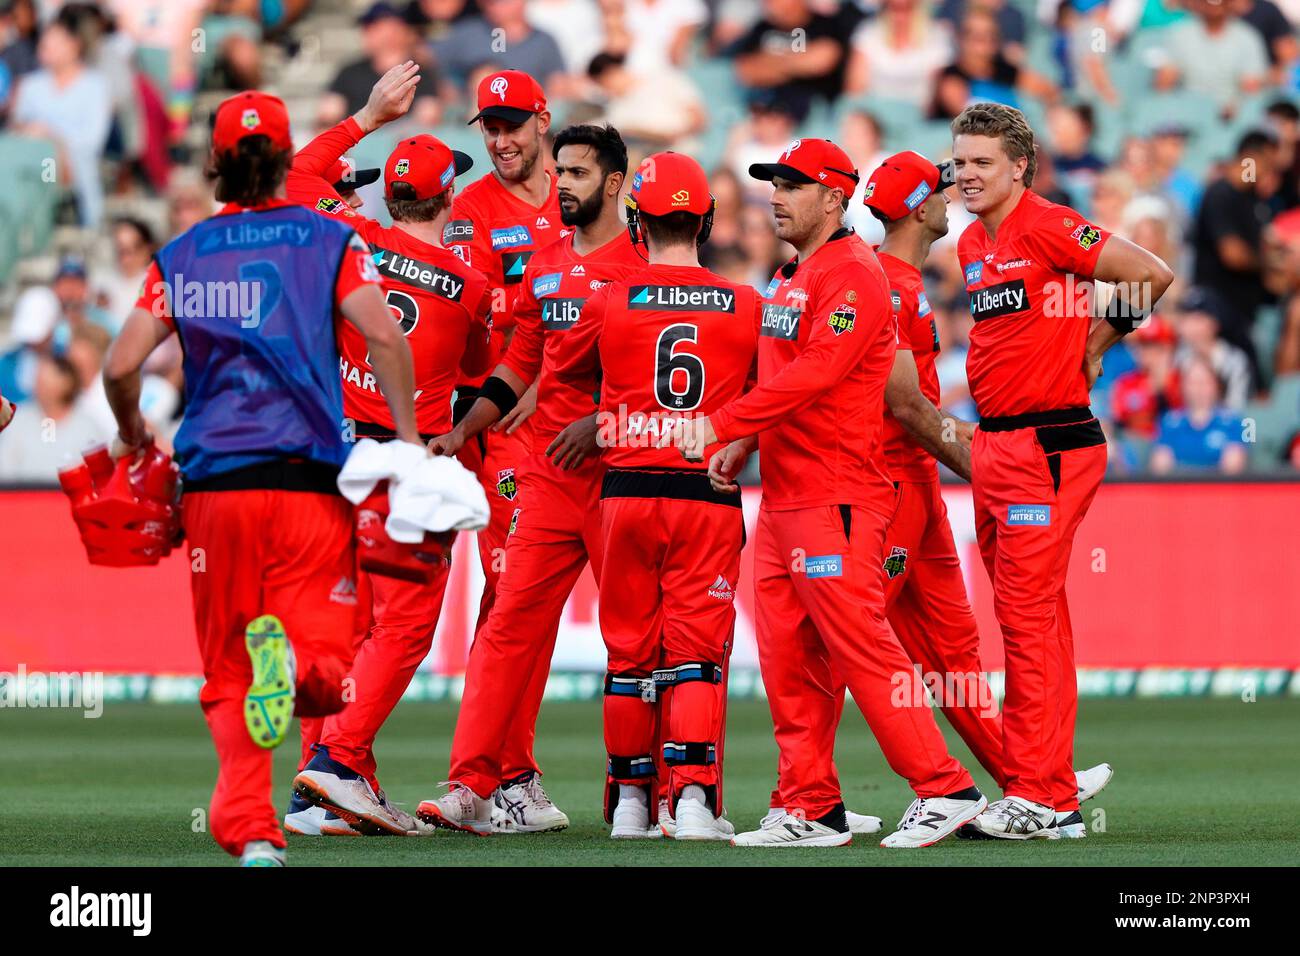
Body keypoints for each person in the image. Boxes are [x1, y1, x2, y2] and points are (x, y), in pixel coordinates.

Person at [101, 90, 421, 866]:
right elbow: (384, 336)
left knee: (227, 669)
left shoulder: (182, 255)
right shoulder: (327, 238)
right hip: (310, 477)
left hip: (215, 483)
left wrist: (134, 431)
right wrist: (408, 442)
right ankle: (301, 670)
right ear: (284, 159)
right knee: (329, 666)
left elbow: (118, 365)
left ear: (214, 161)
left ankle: (253, 838)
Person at [678, 138, 987, 849]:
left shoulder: (855, 275)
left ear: (834, 197)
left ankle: (945, 789)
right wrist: (744, 442)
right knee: (789, 658)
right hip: (787, 499)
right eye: (773, 184)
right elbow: (777, 370)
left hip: (838, 493)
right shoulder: (795, 275)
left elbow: (819, 371)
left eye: (791, 185)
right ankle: (809, 804)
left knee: (861, 647)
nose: (776, 196)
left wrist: (721, 422)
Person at [281, 63, 495, 837]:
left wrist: (368, 114)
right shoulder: (469, 282)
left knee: (340, 626)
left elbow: (300, 172)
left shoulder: (350, 237)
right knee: (406, 625)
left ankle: (318, 798)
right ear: (445, 199)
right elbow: (478, 371)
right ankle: (338, 763)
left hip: (330, 459)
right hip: (403, 466)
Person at [949, 102, 1173, 838]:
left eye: (982, 162)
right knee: (1036, 618)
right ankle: (1046, 785)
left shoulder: (1047, 224)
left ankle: (1044, 798)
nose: (967, 174)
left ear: (1019, 166)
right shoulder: (972, 245)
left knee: (1025, 618)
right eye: (960, 162)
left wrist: (1101, 338)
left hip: (1047, 444)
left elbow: (1149, 272)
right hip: (1000, 446)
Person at [418, 124, 643, 835]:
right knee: (508, 624)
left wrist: (603, 423)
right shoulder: (544, 268)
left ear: (612, 184)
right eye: (562, 172)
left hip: (621, 478)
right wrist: (466, 427)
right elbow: (518, 360)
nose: (564, 186)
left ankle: (652, 789)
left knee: (636, 637)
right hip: (548, 478)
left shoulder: (644, 266)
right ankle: (472, 785)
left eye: (577, 174)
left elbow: (657, 381)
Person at [549, 150, 761, 841]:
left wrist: (610, 409)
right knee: (697, 650)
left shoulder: (610, 297)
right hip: (705, 489)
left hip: (625, 491)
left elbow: (563, 366)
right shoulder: (747, 303)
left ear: (636, 219)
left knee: (630, 651)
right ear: (705, 220)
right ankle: (693, 800)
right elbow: (771, 395)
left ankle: (632, 804)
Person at [444, 68, 569, 805]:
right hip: (508, 424)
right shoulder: (470, 210)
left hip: (578, 427)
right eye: (489, 127)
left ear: (542, 120)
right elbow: (483, 314)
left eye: (512, 124)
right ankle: (506, 777)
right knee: (515, 598)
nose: (500, 139)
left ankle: (652, 786)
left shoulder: (579, 190)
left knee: (520, 604)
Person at [1150, 357, 1248, 474]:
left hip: (1219, 490)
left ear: (1215, 386)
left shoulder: (1233, 422)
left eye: (1204, 382)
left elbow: (1233, 467)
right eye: (1193, 382)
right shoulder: (1169, 422)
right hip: (1178, 489)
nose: (1198, 388)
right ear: (1183, 386)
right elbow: (1160, 467)